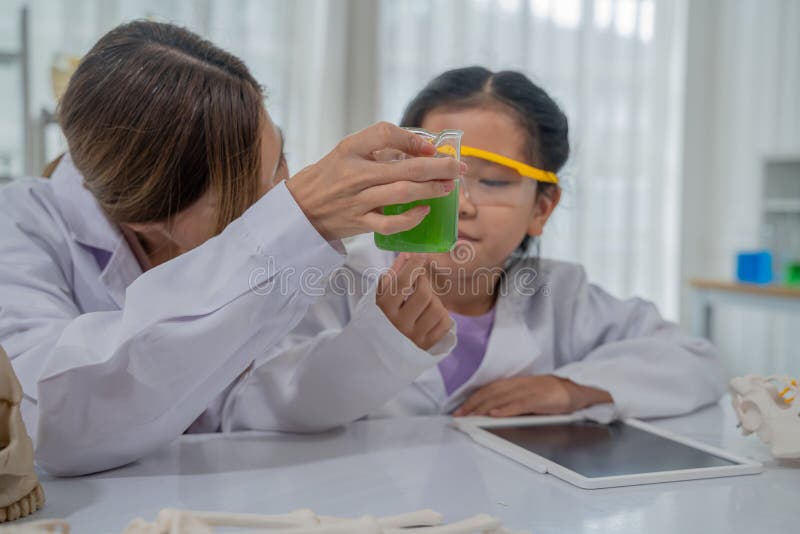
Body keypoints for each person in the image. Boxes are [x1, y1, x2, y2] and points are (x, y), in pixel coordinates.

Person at [0, 21, 463, 476]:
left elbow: (246, 402)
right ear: (147, 217)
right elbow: (49, 422)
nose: (283, 190)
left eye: (281, 158)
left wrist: (377, 347)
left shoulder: (267, 256)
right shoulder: (20, 227)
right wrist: (291, 223)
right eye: (255, 198)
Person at [224, 67, 727, 432]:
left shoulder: (560, 295)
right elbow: (249, 408)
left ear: (543, 207)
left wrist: (569, 389)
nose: (460, 202)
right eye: (436, 175)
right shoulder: (334, 280)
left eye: (493, 182)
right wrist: (373, 347)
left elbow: (695, 360)